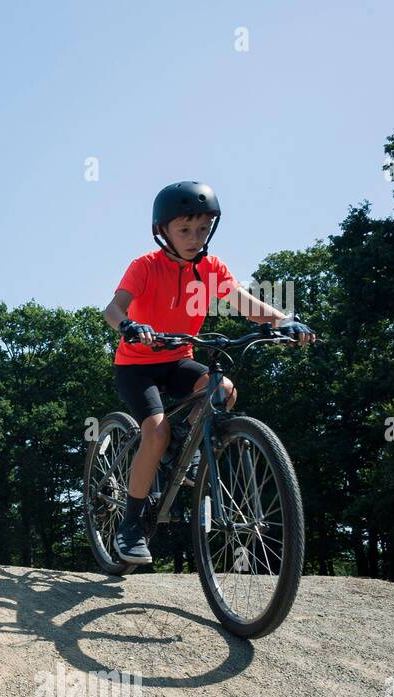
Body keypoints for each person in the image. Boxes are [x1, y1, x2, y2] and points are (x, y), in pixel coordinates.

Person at [102, 181, 315, 564]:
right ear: (162, 231)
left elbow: (246, 304)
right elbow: (113, 309)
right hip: (137, 365)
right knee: (155, 428)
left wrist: (286, 322)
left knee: (225, 390)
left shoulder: (210, 269)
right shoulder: (145, 267)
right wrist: (128, 326)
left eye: (202, 229)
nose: (194, 238)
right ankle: (131, 525)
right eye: (184, 230)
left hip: (179, 358)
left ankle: (184, 452)